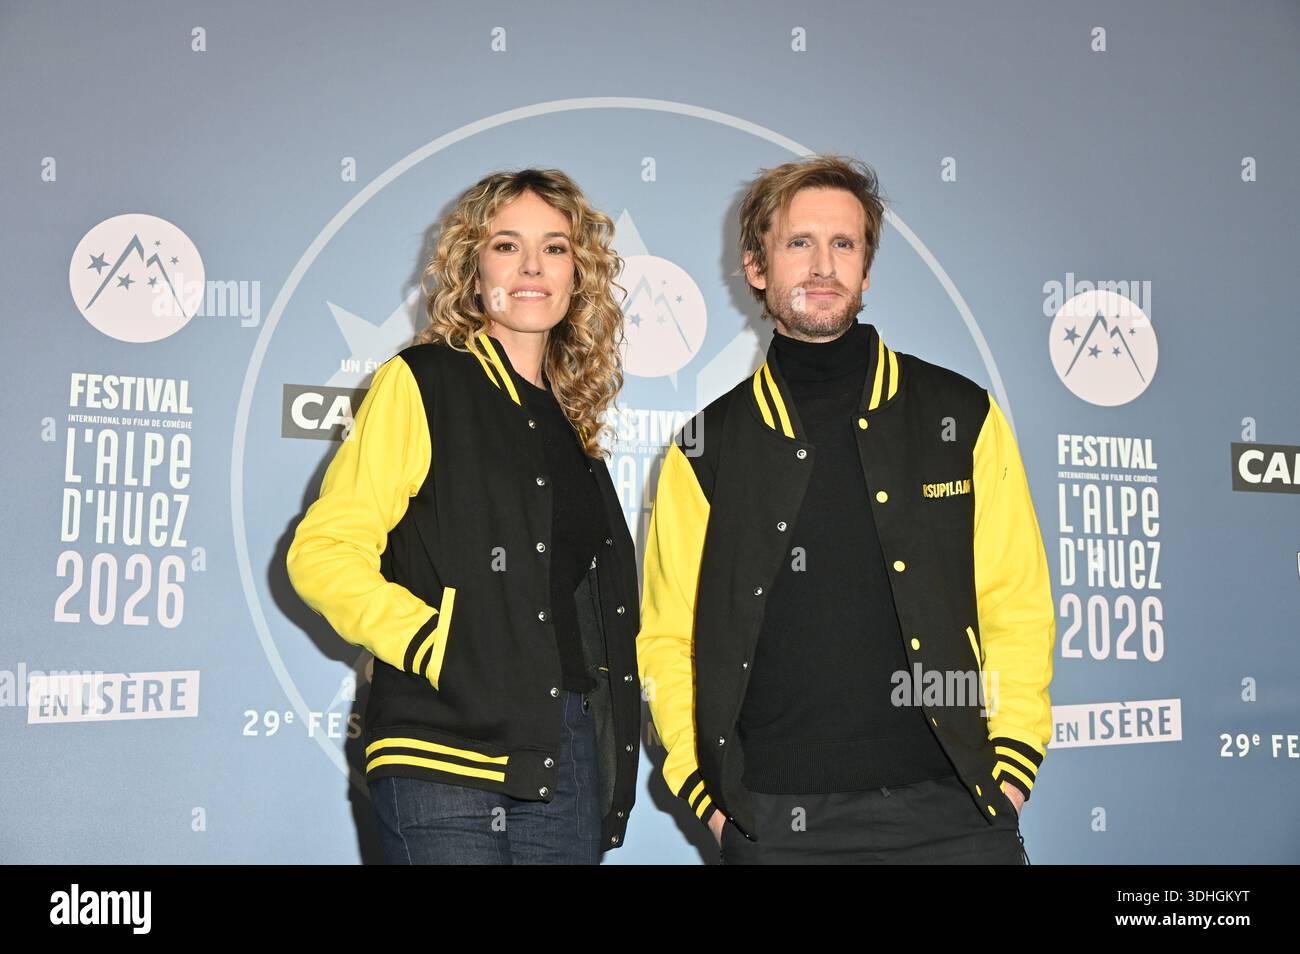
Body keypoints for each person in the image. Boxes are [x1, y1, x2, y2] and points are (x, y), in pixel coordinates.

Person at [637, 155, 1055, 864]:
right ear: (757, 267)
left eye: (844, 244)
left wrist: (1009, 769)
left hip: (955, 812)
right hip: (774, 820)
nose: (823, 264)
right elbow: (669, 642)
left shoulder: (961, 415)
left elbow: (1015, 601)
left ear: (867, 270)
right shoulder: (704, 448)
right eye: (799, 242)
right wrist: (713, 804)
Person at [287, 168, 641, 864]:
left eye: (556, 248)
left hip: (560, 757)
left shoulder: (574, 428)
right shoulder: (423, 381)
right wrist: (433, 644)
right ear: (473, 270)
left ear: (579, 275)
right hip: (440, 747)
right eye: (507, 245)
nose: (533, 266)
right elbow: (323, 552)